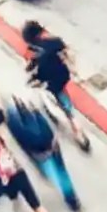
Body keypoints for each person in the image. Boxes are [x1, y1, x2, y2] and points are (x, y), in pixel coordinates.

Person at [22, 20, 89, 150]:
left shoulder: (33, 51)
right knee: (64, 99)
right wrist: (76, 73)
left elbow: (30, 68)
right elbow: (67, 55)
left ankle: (73, 126)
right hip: (62, 75)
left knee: (55, 100)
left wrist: (31, 73)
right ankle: (76, 127)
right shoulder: (55, 42)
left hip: (48, 81)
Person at [6, 94, 79, 211]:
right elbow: (45, 125)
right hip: (51, 145)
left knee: (53, 171)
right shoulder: (34, 114)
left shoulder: (13, 123)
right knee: (61, 171)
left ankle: (50, 177)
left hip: (38, 152)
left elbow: (22, 142)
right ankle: (72, 198)